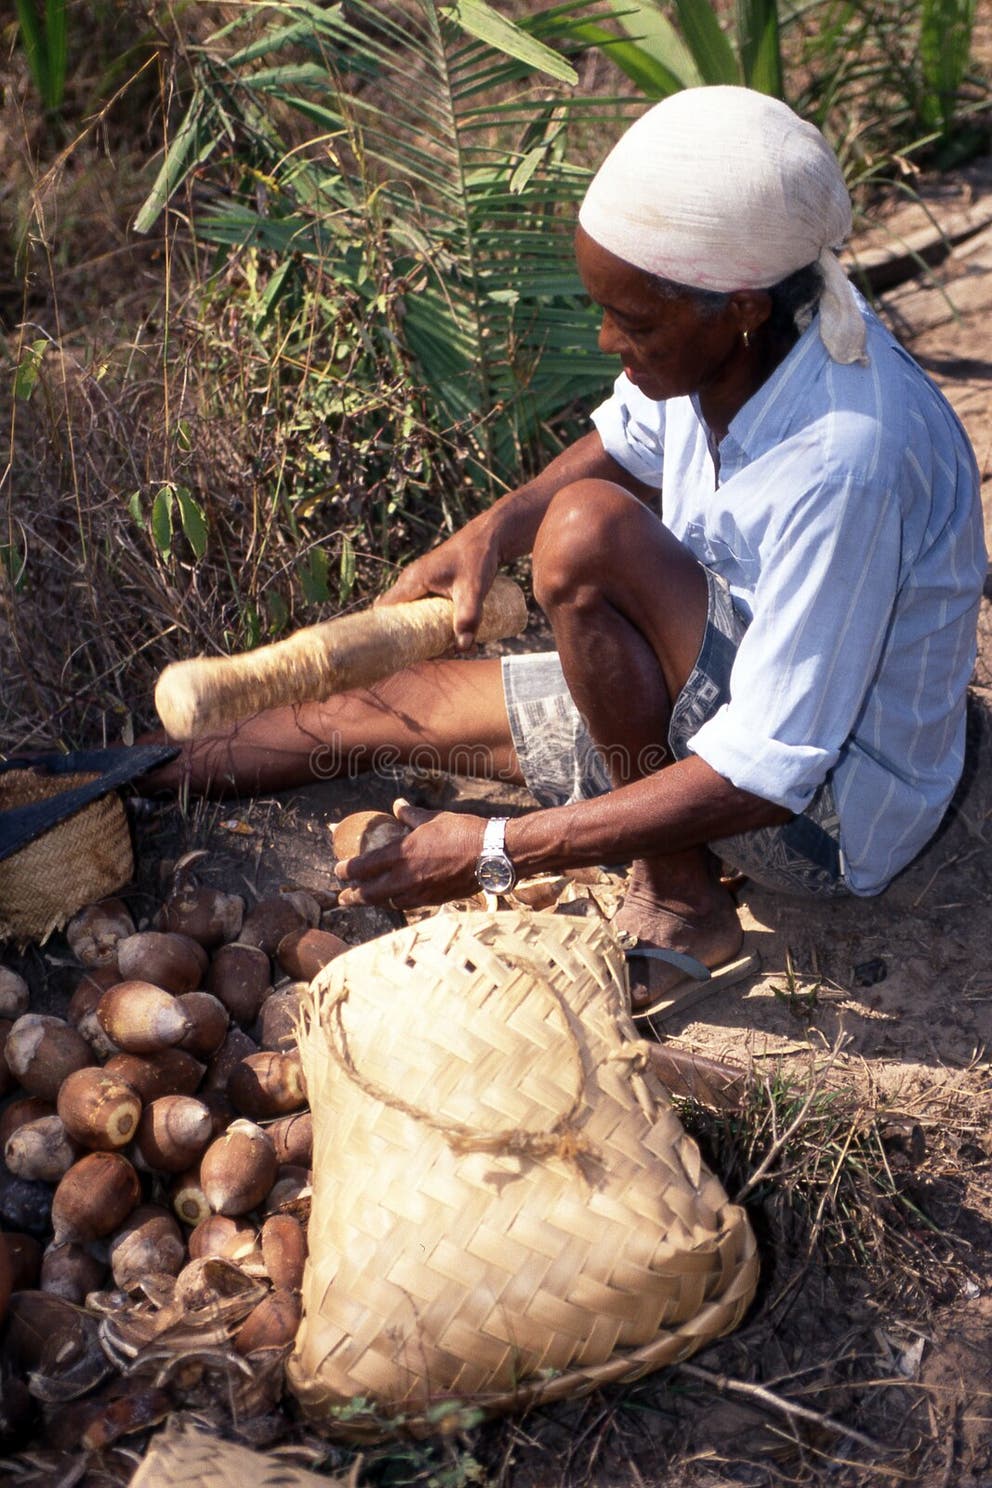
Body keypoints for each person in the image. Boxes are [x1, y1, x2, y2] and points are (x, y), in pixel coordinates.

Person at [154, 86, 986, 1016]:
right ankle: (85, 780)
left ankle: (678, 896)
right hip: (710, 683)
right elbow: (628, 443)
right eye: (605, 310)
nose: (606, 341)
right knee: (378, 710)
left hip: (828, 820)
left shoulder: (848, 458)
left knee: (587, 535)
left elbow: (769, 771)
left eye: (633, 322)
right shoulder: (740, 333)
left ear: (739, 308)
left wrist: (499, 851)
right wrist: (491, 532)